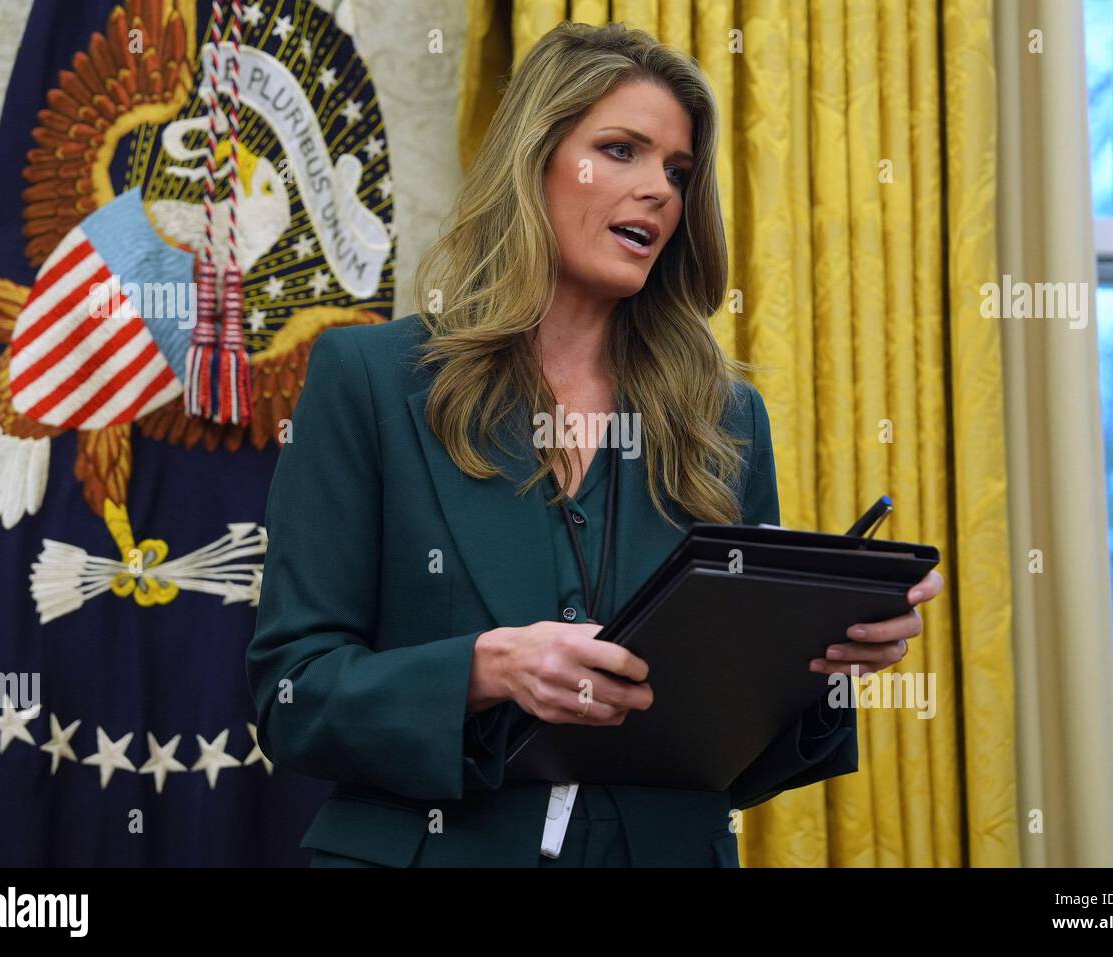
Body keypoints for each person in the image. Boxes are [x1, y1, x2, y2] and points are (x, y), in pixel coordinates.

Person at [245, 20, 943, 868]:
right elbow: (294, 694)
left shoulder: (727, 417)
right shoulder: (367, 379)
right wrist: (486, 667)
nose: (659, 189)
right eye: (622, 150)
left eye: (678, 172)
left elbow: (736, 758)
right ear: (534, 159)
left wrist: (822, 667)